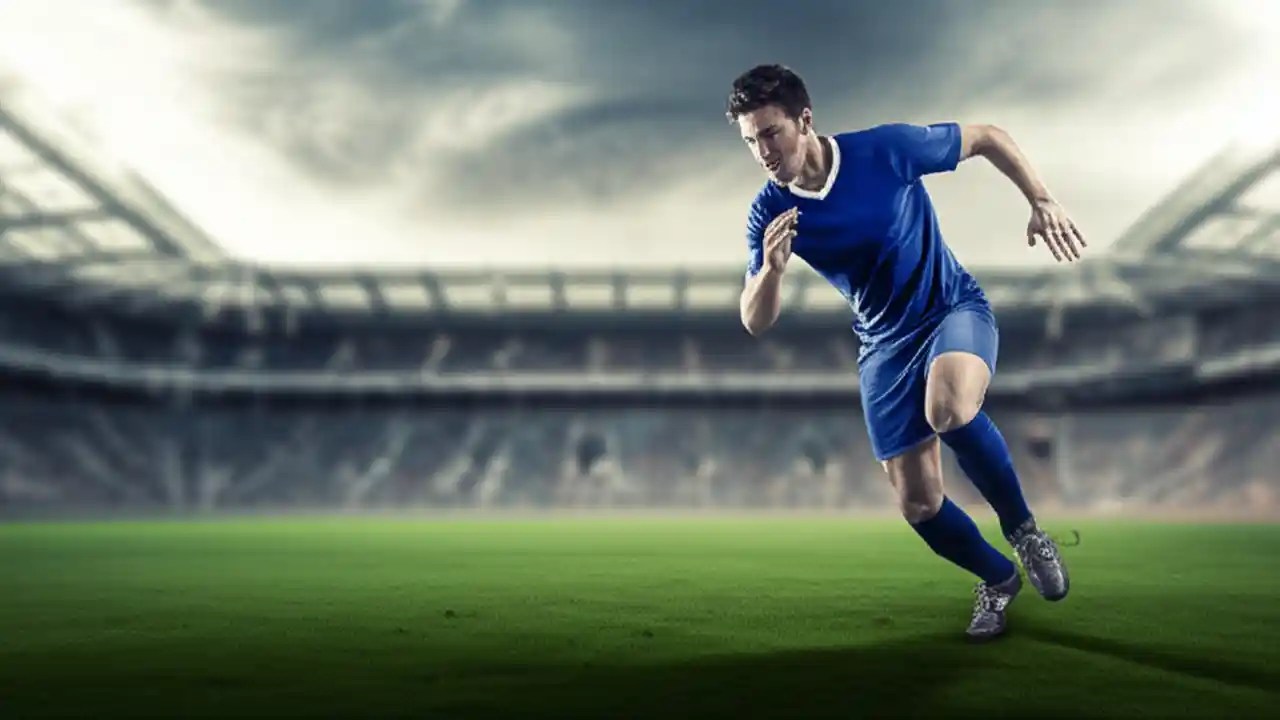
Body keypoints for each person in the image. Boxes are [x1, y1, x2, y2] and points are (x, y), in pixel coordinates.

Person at [729, 64, 1082, 641]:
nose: (763, 152)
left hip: (950, 309)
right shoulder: (768, 212)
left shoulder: (886, 150)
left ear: (805, 121)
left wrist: (1041, 199)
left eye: (770, 134)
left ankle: (1024, 531)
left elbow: (988, 137)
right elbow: (753, 320)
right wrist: (770, 270)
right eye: (750, 141)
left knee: (948, 409)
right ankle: (997, 579)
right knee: (919, 505)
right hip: (883, 346)